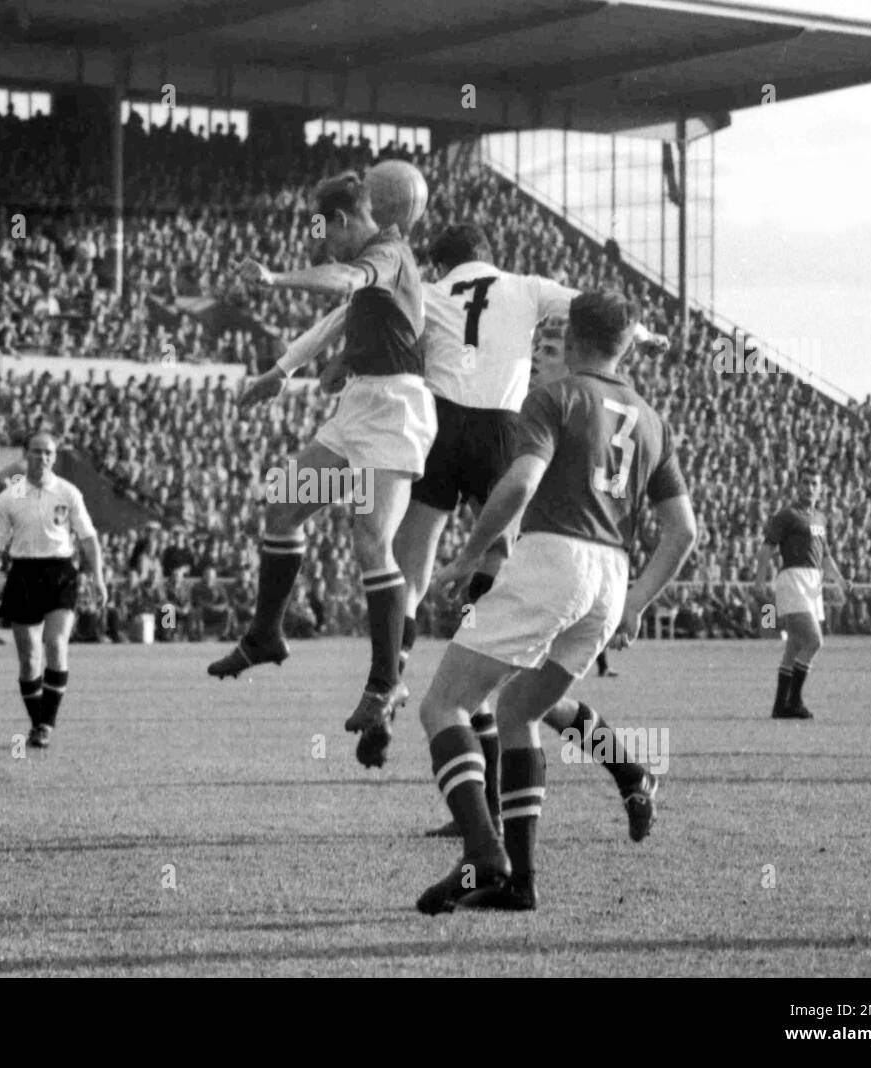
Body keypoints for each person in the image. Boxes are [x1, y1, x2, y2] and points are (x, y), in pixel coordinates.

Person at [242, 222, 663, 822]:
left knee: (438, 617)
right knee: (507, 690)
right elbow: (594, 310)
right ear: (488, 255)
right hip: (512, 461)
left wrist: (325, 364)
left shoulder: (434, 295)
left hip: (438, 431)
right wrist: (643, 335)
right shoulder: (529, 303)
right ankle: (588, 779)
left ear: (440, 264)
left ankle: (393, 682)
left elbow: (363, 321)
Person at [411, 291, 697, 914]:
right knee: (516, 710)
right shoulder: (650, 418)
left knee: (444, 705)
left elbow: (521, 482)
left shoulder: (557, 397)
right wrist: (638, 602)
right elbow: (683, 531)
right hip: (610, 576)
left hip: (554, 560)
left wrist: (468, 554)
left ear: (570, 340)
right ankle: (520, 882)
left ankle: (484, 854)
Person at [208, 171, 435, 769]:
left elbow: (344, 279)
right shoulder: (376, 264)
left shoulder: (385, 252)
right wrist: (285, 370)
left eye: (325, 232)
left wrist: (275, 278)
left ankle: (384, 683)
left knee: (370, 539)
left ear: (343, 221)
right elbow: (340, 317)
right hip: (359, 409)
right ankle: (265, 635)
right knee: (284, 505)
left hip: (396, 413)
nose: (325, 246)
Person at [0, 433, 107, 749]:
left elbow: (88, 538)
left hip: (60, 572)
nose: (42, 458)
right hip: (24, 573)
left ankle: (47, 723)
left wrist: (98, 578)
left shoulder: (68, 492)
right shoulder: (11, 495)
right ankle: (37, 724)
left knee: (56, 643)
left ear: (54, 457)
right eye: (36, 452)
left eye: (48, 453)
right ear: (25, 454)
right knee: (30, 657)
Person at [753, 466, 851, 719]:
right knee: (814, 641)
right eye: (805, 483)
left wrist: (839, 580)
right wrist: (759, 581)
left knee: (795, 645)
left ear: (820, 488)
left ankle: (779, 706)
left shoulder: (820, 518)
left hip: (813, 582)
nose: (810, 487)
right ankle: (794, 701)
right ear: (798, 485)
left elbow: (825, 556)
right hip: (793, 579)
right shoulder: (787, 515)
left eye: (814, 483)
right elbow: (766, 550)